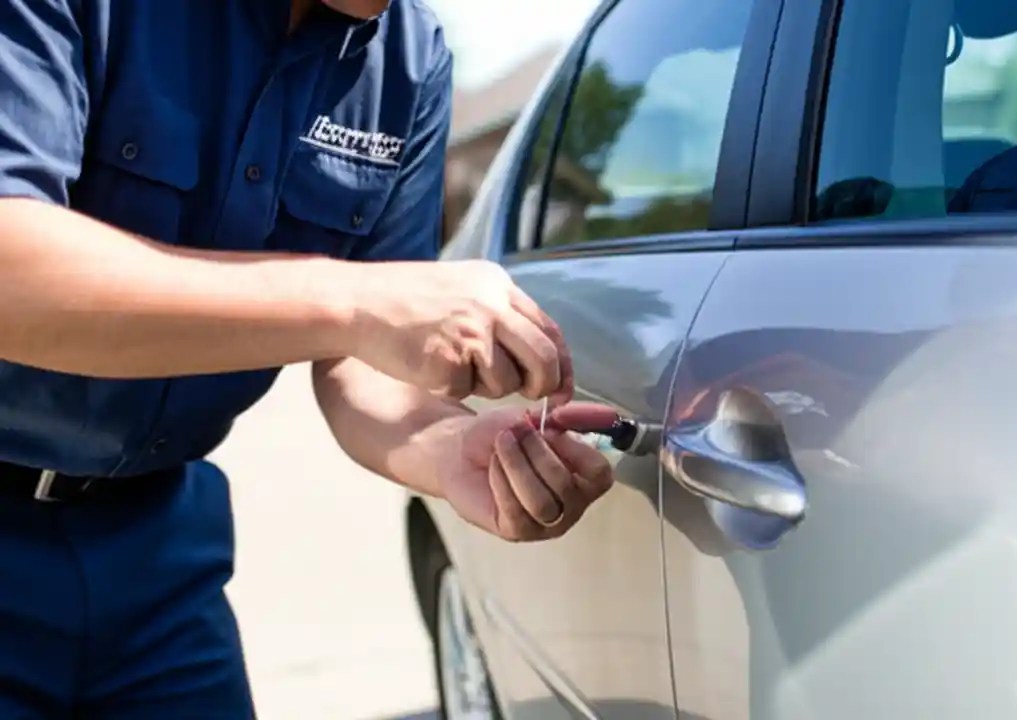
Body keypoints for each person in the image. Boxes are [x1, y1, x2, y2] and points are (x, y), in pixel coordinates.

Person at [0, 0, 614, 717]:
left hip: (159, 551)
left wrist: (450, 449)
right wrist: (355, 303)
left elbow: (361, 361)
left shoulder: (409, 64)